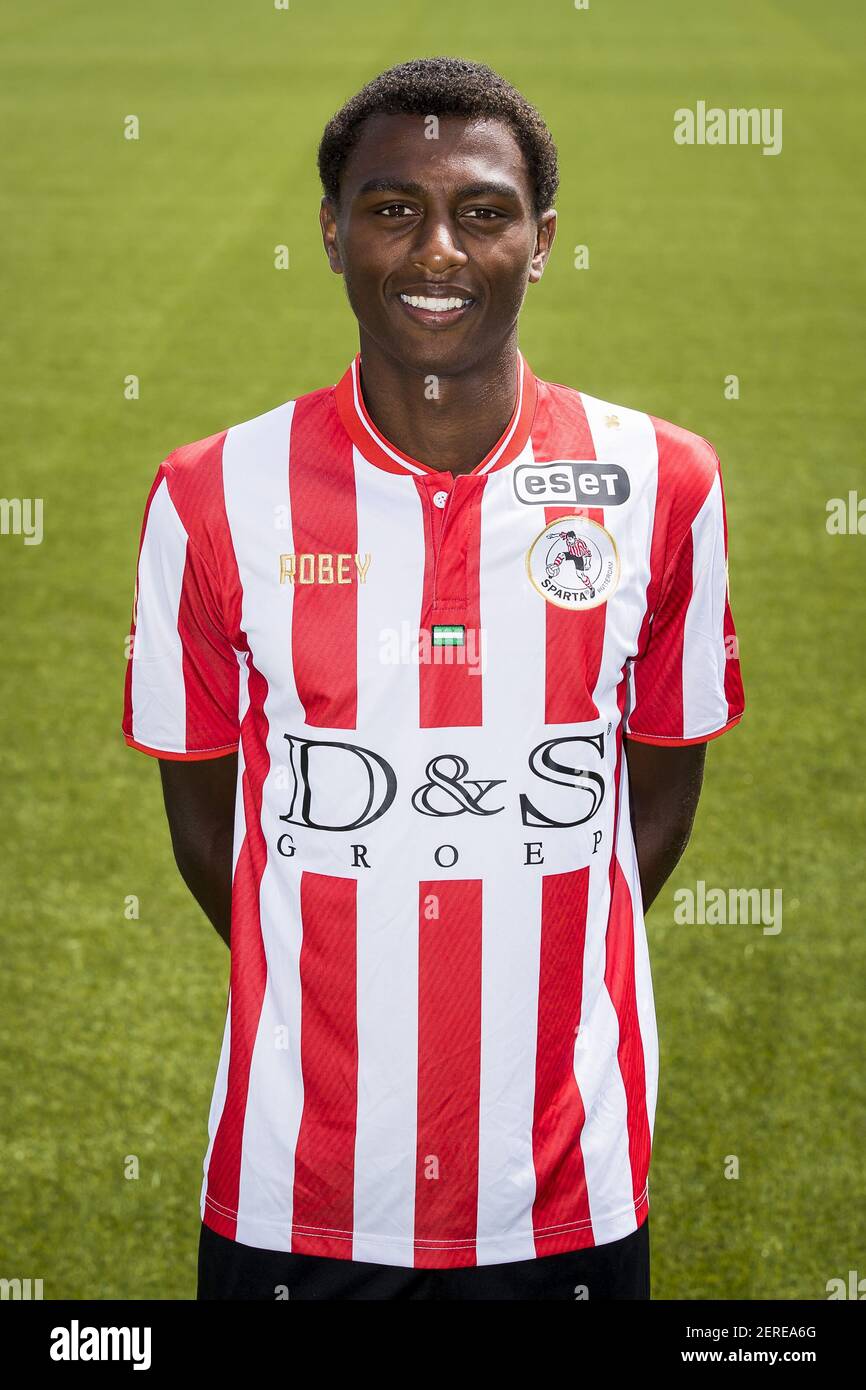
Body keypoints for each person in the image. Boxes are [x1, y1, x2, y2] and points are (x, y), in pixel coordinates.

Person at [121, 56, 745, 1301]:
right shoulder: (210, 496)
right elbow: (209, 833)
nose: (435, 253)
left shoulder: (661, 482)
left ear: (543, 237)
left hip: (563, 1188)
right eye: (391, 207)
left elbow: (653, 811)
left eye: (482, 211)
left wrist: (534, 947)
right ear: (331, 232)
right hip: (294, 1188)